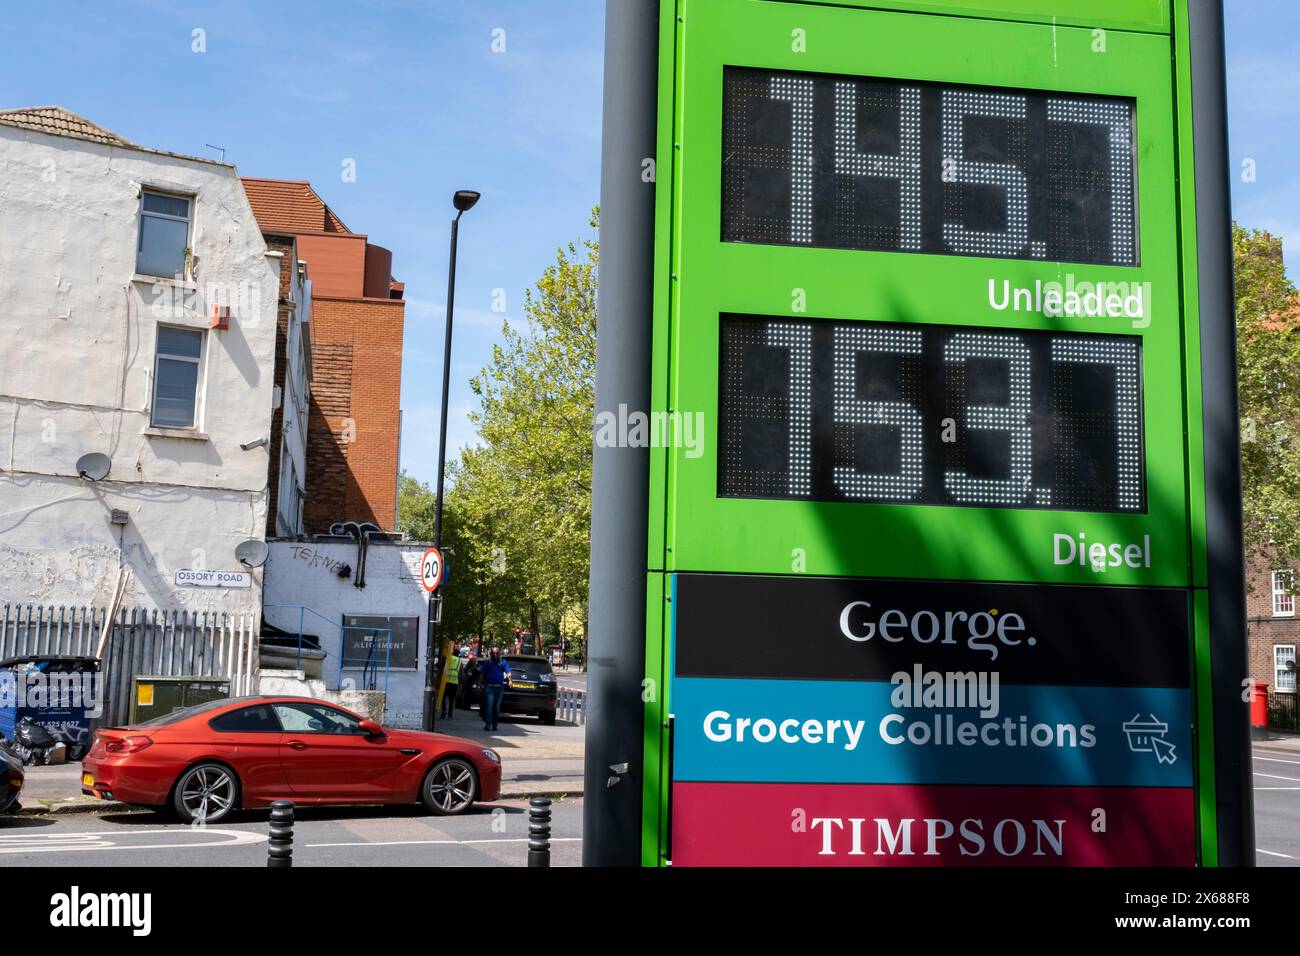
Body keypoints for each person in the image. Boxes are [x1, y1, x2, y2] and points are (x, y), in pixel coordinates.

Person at [478, 647, 511, 732]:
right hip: (489, 687)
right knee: (489, 706)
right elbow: (482, 674)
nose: (495, 655)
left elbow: (508, 672)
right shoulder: (487, 663)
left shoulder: (502, 662)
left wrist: (510, 680)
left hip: (499, 688)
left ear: (499, 654)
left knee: (496, 707)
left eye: (497, 653)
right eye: (493, 653)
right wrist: (479, 684)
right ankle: (488, 725)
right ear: (491, 654)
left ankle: (495, 725)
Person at [440, 642, 463, 719]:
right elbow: (461, 674)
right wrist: (461, 684)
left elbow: (439, 665)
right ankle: (450, 715)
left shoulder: (448, 658)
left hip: (446, 681)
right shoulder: (459, 661)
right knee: (451, 699)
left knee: (443, 697)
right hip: (455, 682)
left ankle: (444, 710)